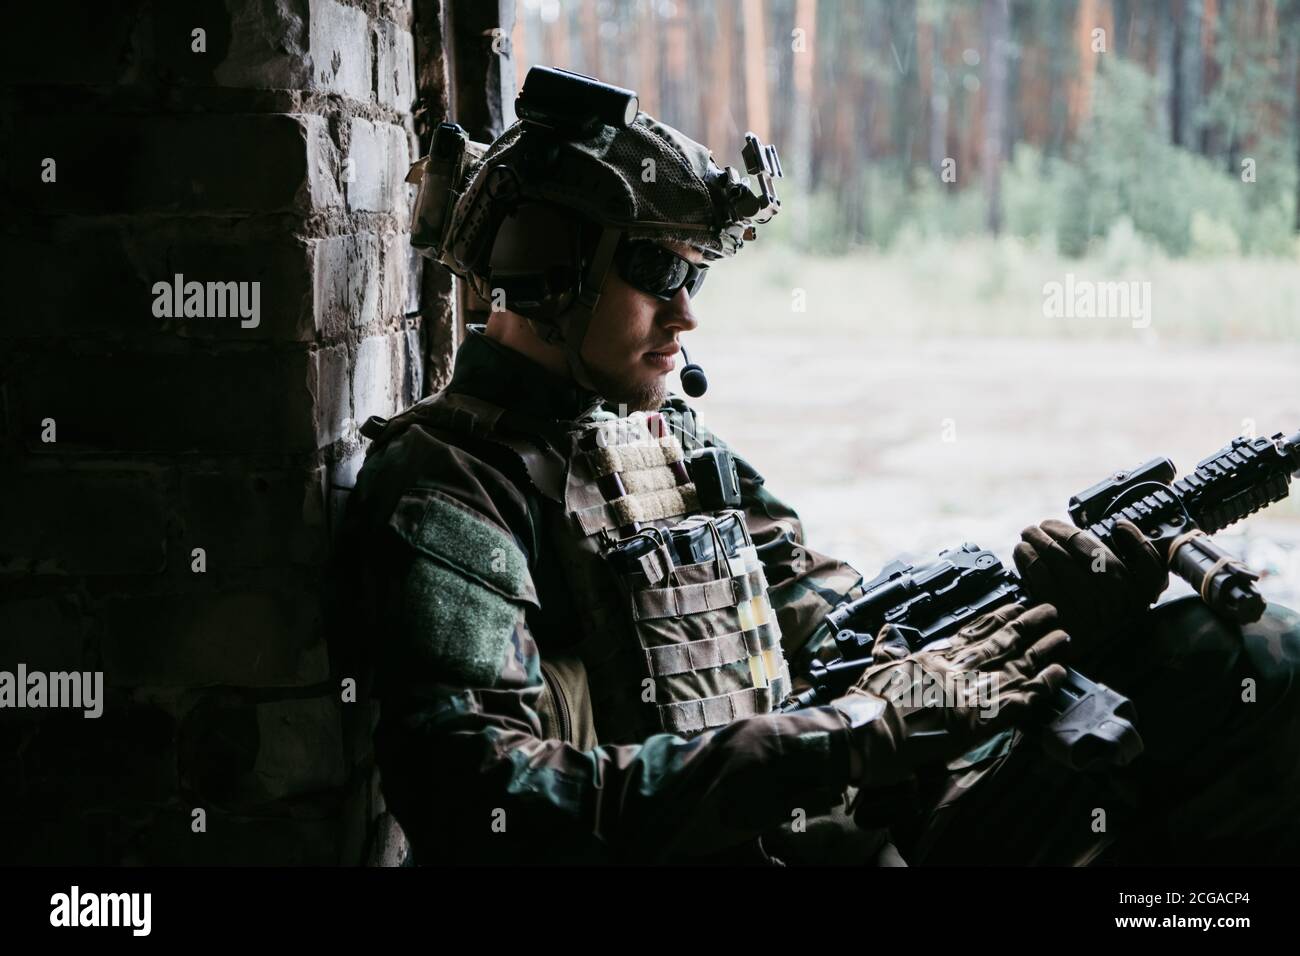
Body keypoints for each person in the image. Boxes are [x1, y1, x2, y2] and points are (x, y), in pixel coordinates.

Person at [333, 68, 1300, 865]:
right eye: (659, 273)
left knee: (1247, 655)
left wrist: (1049, 621)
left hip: (829, 831)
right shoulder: (452, 485)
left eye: (696, 275)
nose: (687, 315)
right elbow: (481, 800)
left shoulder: (665, 441)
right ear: (545, 268)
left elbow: (824, 617)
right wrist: (858, 733)